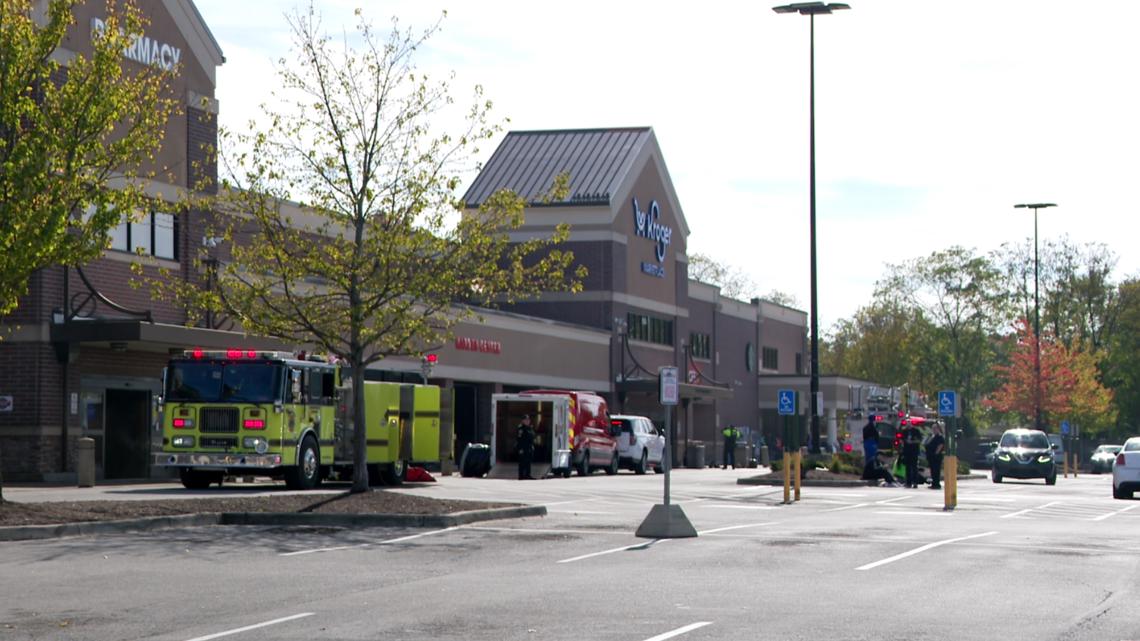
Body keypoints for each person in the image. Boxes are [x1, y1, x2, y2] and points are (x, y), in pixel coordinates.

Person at [901, 421, 923, 488]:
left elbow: (919, 440)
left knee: (914, 467)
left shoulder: (916, 431)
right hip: (907, 451)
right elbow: (902, 440)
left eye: (909, 424)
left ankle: (915, 482)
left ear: (911, 424)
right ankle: (908, 482)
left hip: (914, 451)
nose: (908, 425)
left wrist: (912, 442)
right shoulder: (904, 431)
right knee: (907, 467)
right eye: (907, 424)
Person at [516, 414, 536, 480]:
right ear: (523, 421)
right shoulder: (521, 429)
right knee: (522, 462)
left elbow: (533, 437)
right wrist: (520, 448)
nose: (527, 421)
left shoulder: (530, 428)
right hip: (523, 448)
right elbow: (519, 439)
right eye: (526, 420)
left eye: (528, 420)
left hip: (529, 447)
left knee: (528, 462)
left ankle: (528, 475)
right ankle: (521, 476)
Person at [926, 423, 946, 490]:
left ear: (938, 429)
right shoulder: (932, 436)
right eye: (933, 428)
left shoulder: (940, 437)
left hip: (936, 457)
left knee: (936, 470)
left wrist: (936, 454)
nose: (934, 430)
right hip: (931, 457)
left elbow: (940, 446)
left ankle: (936, 484)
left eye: (935, 428)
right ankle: (933, 483)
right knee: (932, 470)